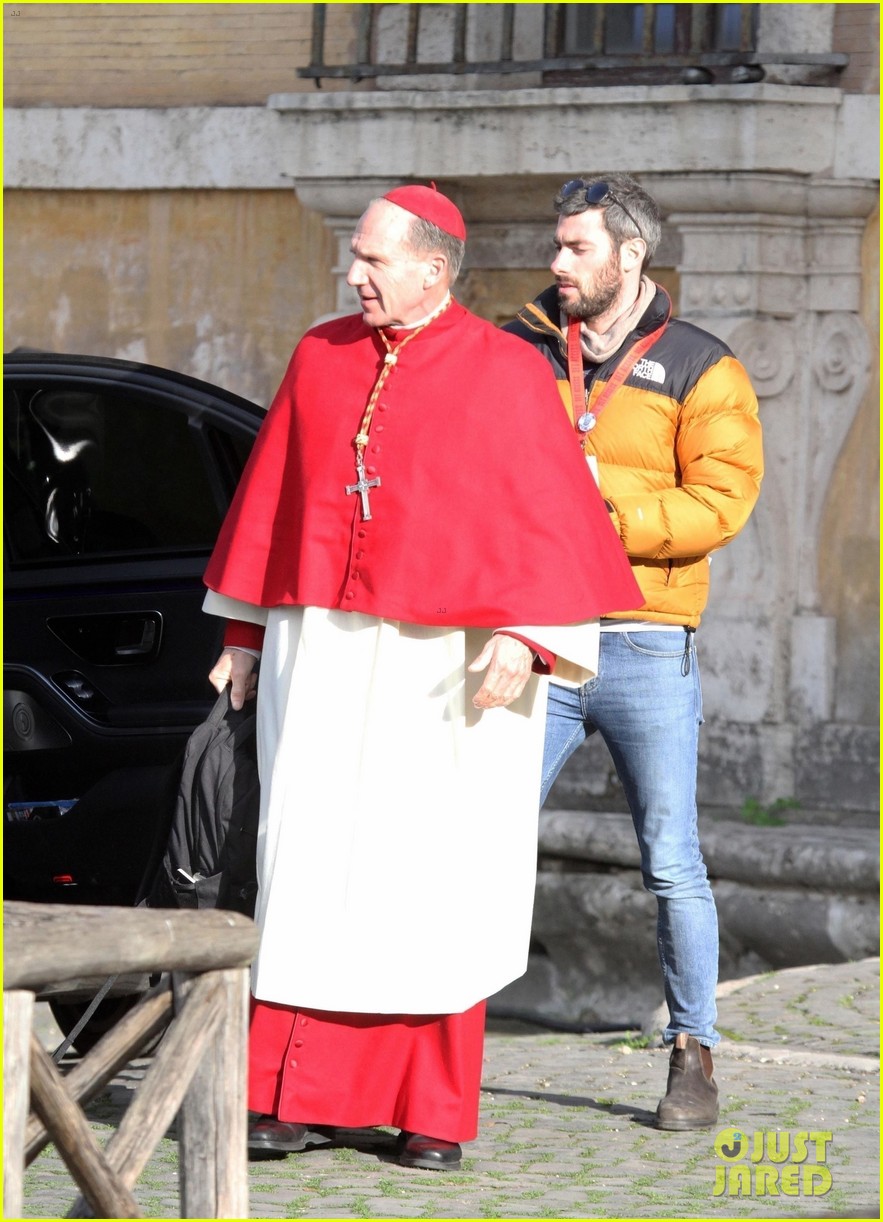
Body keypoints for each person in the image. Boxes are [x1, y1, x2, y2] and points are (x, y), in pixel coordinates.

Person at [202, 183, 641, 1170]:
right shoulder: (319, 355)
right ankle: (286, 1097)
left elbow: (551, 520)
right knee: (310, 867)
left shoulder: (506, 371)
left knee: (431, 881)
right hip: (321, 651)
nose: (351, 273)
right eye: (355, 257)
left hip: (448, 671)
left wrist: (529, 638)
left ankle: (425, 1112)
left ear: (433, 269)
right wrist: (243, 634)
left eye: (372, 259)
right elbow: (273, 498)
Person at [505, 173, 763, 1131]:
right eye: (557, 244)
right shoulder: (520, 348)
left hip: (647, 639)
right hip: (533, 637)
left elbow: (720, 504)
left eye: (575, 247)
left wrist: (599, 510)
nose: (556, 262)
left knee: (670, 861)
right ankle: (431, 1039)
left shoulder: (702, 364)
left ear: (629, 254)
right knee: (482, 833)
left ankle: (692, 1053)